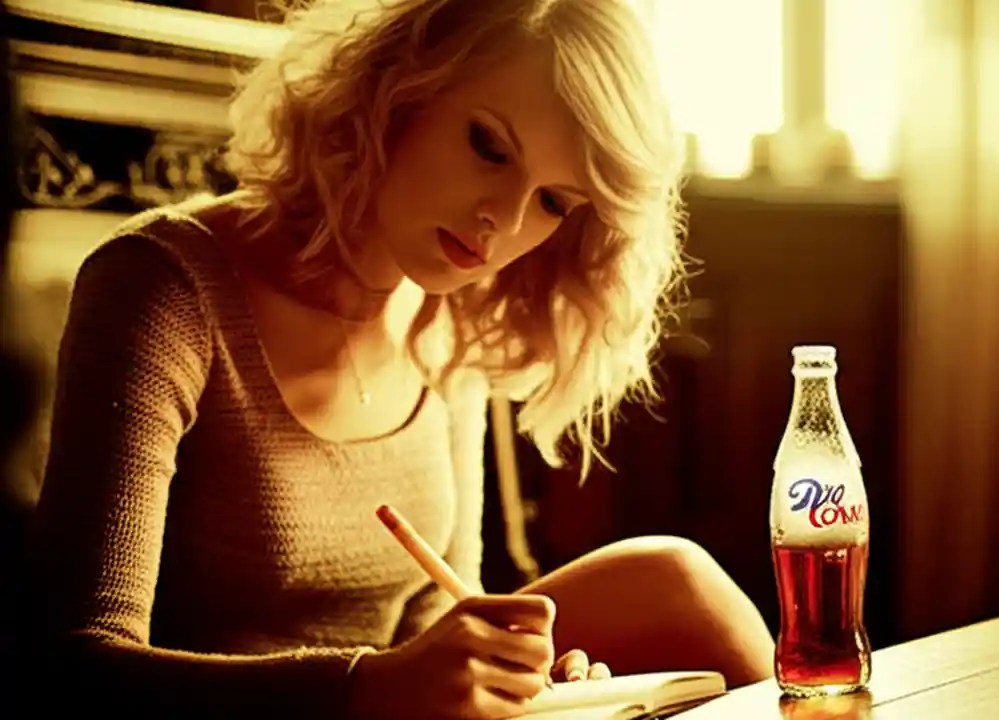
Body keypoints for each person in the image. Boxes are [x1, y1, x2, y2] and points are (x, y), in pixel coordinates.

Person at [26, 0, 775, 718]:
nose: (503, 222)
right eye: (489, 146)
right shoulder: (160, 287)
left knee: (679, 585)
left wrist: (505, 669)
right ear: (396, 90)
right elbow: (74, 670)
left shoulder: (446, 313)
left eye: (553, 202)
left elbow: (439, 612)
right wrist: (368, 688)